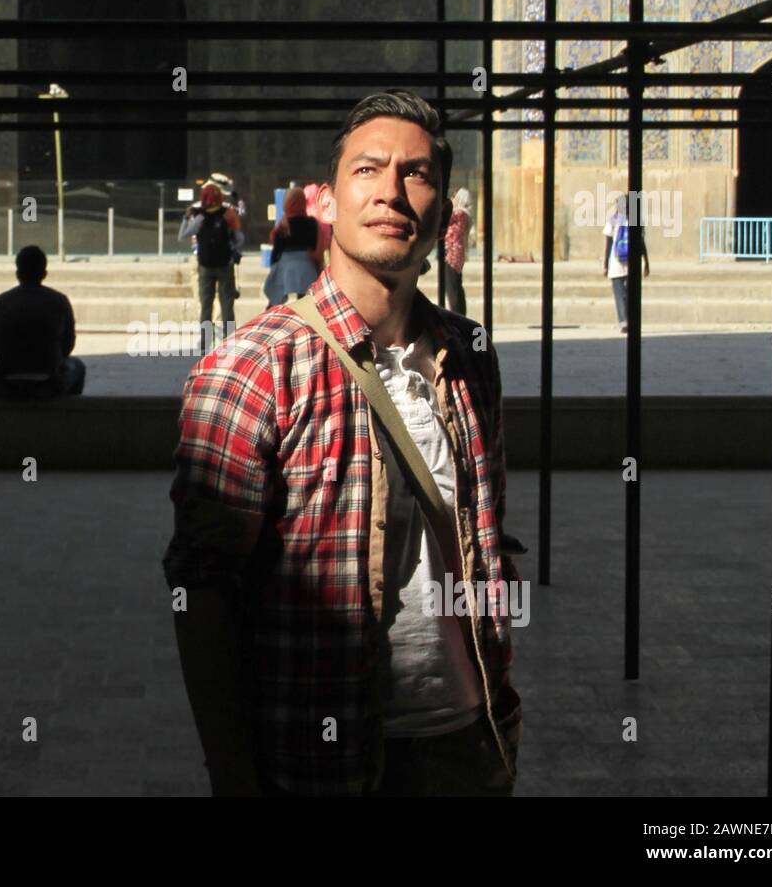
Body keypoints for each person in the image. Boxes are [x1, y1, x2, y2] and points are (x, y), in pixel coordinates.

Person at [164, 90, 524, 797]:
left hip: (464, 743)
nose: (392, 190)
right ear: (325, 201)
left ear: (444, 208)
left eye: (417, 173)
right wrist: (234, 774)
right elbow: (202, 591)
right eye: (369, 169)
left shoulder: (472, 358)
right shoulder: (253, 368)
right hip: (321, 757)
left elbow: (484, 535)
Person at [0, 244, 86, 398]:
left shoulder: (1, 302)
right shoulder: (59, 301)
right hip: (48, 381)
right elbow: (67, 346)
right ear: (44, 273)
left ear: (18, 273)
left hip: (6, 382)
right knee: (78, 366)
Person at [179, 181, 243, 353]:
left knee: (206, 305)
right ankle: (230, 341)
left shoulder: (199, 217)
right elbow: (239, 238)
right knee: (227, 304)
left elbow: (183, 235)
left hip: (205, 266)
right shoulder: (228, 214)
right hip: (225, 265)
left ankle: (205, 341)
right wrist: (233, 248)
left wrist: (186, 218)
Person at [262, 186, 319, 306]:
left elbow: (276, 251)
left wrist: (273, 267)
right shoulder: (312, 223)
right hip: (307, 266)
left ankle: (271, 320)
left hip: (286, 266)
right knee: (306, 303)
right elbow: (313, 246)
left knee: (274, 299)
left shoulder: (283, 225)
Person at [602, 196, 650, 333]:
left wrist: (605, 263)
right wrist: (646, 262)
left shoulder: (613, 220)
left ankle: (624, 321)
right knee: (630, 294)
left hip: (616, 261)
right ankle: (630, 320)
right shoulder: (637, 221)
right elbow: (642, 243)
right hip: (632, 261)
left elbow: (609, 243)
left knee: (619, 293)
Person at [442, 188, 471, 315]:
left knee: (452, 287)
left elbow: (444, 216)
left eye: (455, 197)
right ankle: (460, 313)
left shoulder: (459, 213)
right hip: (457, 253)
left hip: (451, 254)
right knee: (456, 285)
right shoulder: (465, 214)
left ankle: (456, 314)